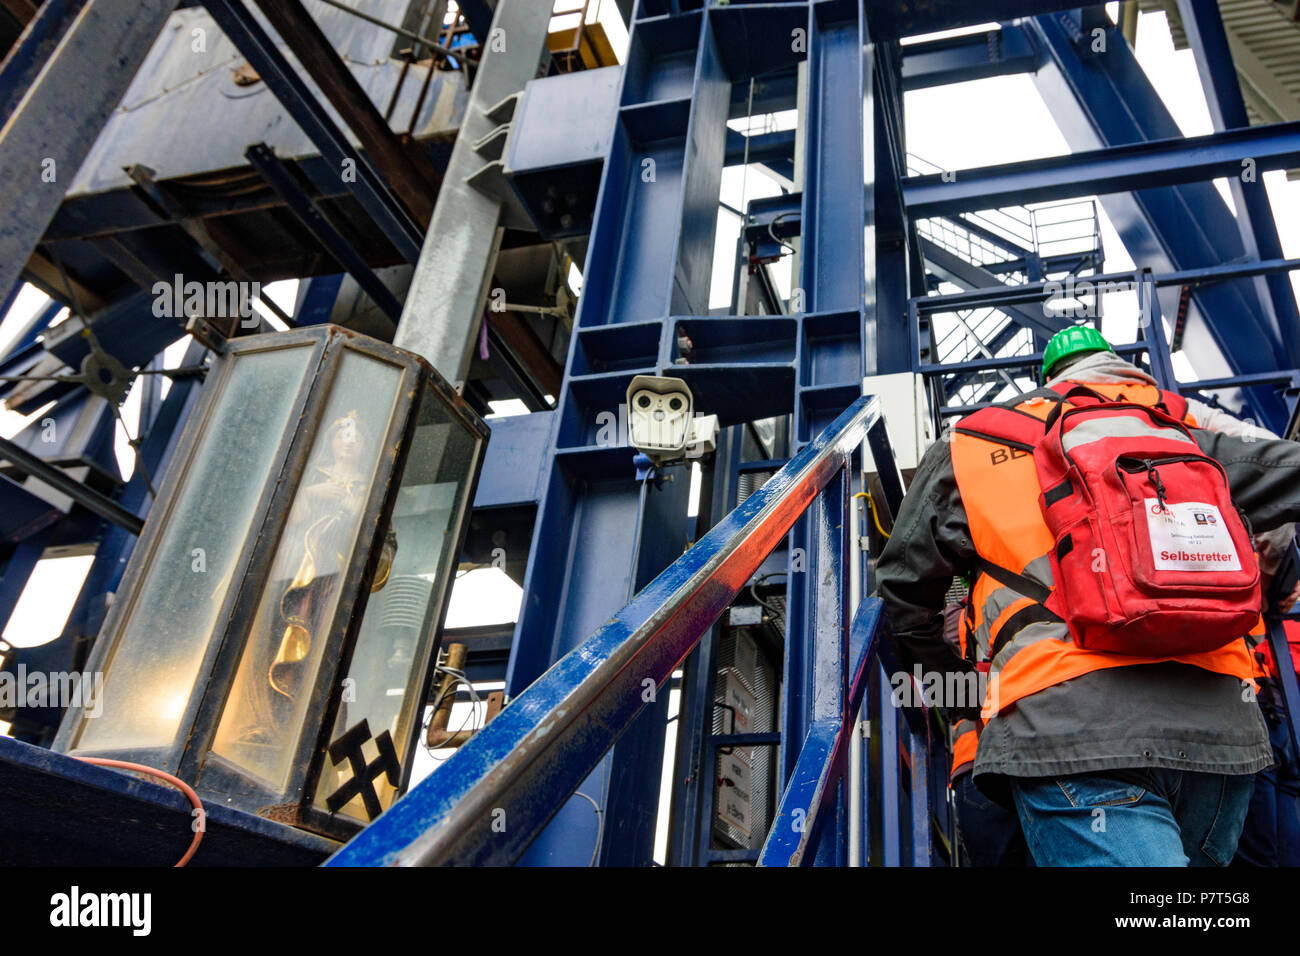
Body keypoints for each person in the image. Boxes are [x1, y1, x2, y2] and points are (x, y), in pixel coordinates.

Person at [877, 324, 1300, 866]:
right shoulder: (1180, 433)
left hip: (1066, 730)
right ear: (1118, 371)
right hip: (1220, 733)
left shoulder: (974, 441)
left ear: (1047, 380)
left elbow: (901, 596)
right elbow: (1285, 474)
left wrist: (961, 695)